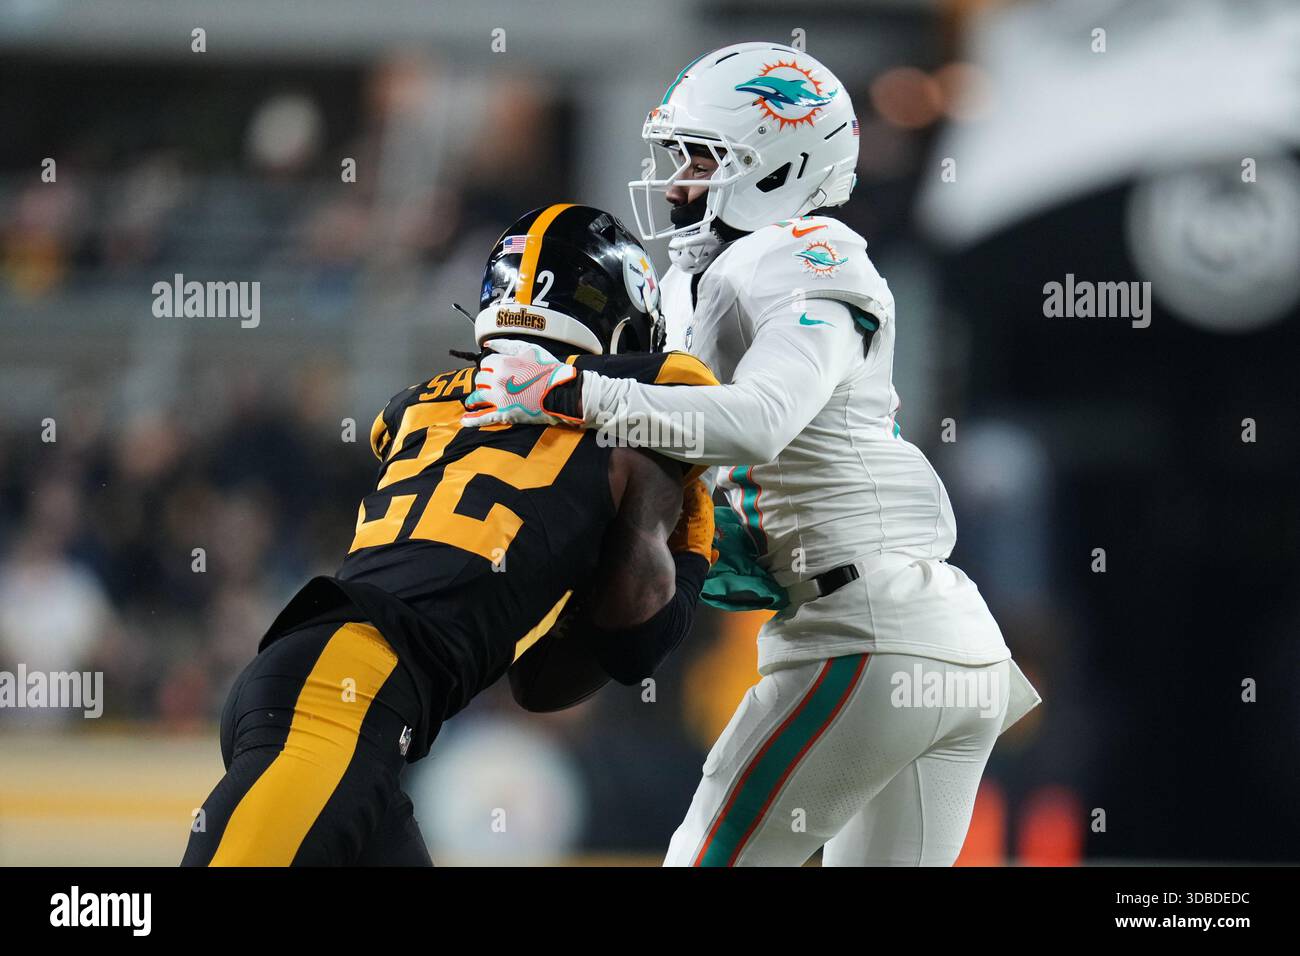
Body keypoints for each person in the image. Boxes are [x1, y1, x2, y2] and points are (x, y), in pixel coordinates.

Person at [461, 45, 1039, 866]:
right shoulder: (728, 274)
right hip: (929, 637)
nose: (675, 183)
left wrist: (567, 392)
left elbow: (761, 419)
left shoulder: (804, 251)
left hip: (866, 633)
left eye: (701, 158)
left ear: (781, 165)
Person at [182, 204, 718, 866]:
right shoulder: (634, 437)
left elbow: (538, 685)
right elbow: (637, 641)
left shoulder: (421, 404)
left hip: (344, 699)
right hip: (341, 703)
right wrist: (695, 543)